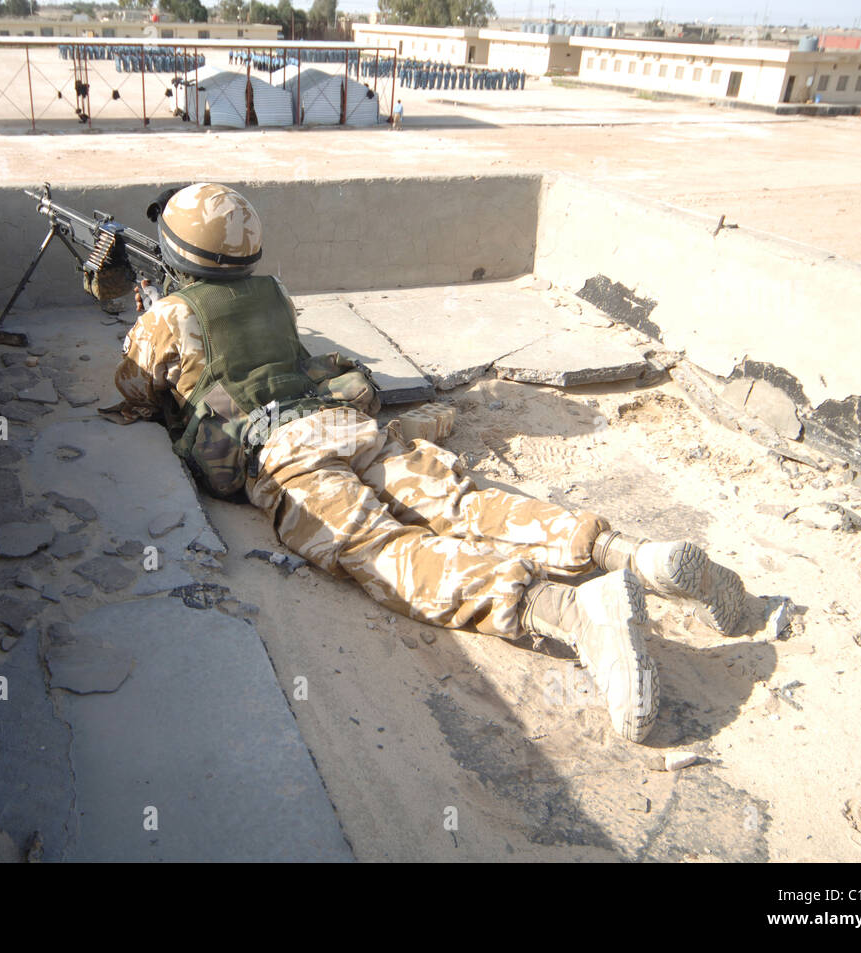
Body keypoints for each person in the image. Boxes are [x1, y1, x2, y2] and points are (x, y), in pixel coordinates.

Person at [106, 184, 748, 744]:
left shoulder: (168, 315)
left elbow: (135, 391)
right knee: (460, 502)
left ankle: (567, 611)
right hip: (345, 424)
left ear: (174, 250)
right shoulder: (273, 293)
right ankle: (629, 554)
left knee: (378, 549)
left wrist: (146, 320)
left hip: (281, 455)